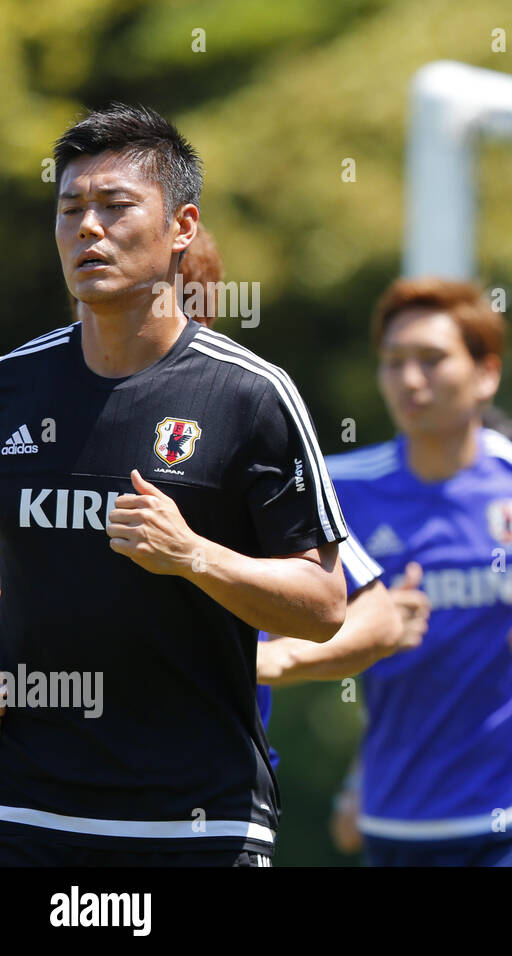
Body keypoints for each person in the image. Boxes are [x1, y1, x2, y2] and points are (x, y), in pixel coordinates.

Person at [0, 103, 347, 866]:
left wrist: (193, 555)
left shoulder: (251, 395)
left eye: (116, 206)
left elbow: (326, 608)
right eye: (69, 210)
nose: (87, 228)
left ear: (182, 227)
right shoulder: (13, 387)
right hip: (26, 810)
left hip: (195, 820)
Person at [326, 276, 512, 866]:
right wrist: (366, 628)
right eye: (393, 362)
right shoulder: (339, 490)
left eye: (432, 359)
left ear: (486, 374)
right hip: (397, 819)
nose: (410, 380)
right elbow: (284, 630)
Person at [174, 224, 431, 768]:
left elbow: (370, 613)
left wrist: (271, 659)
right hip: (46, 792)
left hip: (209, 790)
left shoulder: (245, 421)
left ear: (201, 317)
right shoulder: (37, 403)